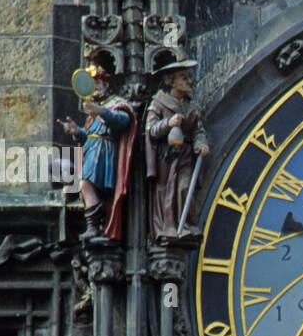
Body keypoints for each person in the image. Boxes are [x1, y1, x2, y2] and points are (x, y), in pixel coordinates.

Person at [59, 66, 136, 240]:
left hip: (105, 152)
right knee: (86, 186)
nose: (95, 87)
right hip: (92, 151)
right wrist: (76, 131)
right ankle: (96, 224)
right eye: (92, 84)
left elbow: (124, 121)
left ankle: (95, 224)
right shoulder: (93, 112)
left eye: (98, 83)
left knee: (86, 184)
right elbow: (88, 136)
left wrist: (101, 111)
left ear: (106, 85)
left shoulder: (115, 104)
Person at [146, 59, 210, 241]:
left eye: (188, 77)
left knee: (184, 187)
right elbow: (150, 130)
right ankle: (169, 226)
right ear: (170, 82)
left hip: (186, 155)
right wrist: (168, 123)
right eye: (183, 78)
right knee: (168, 190)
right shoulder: (158, 102)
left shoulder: (190, 107)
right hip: (167, 157)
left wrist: (200, 143)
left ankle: (187, 224)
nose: (189, 81)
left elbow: (198, 130)